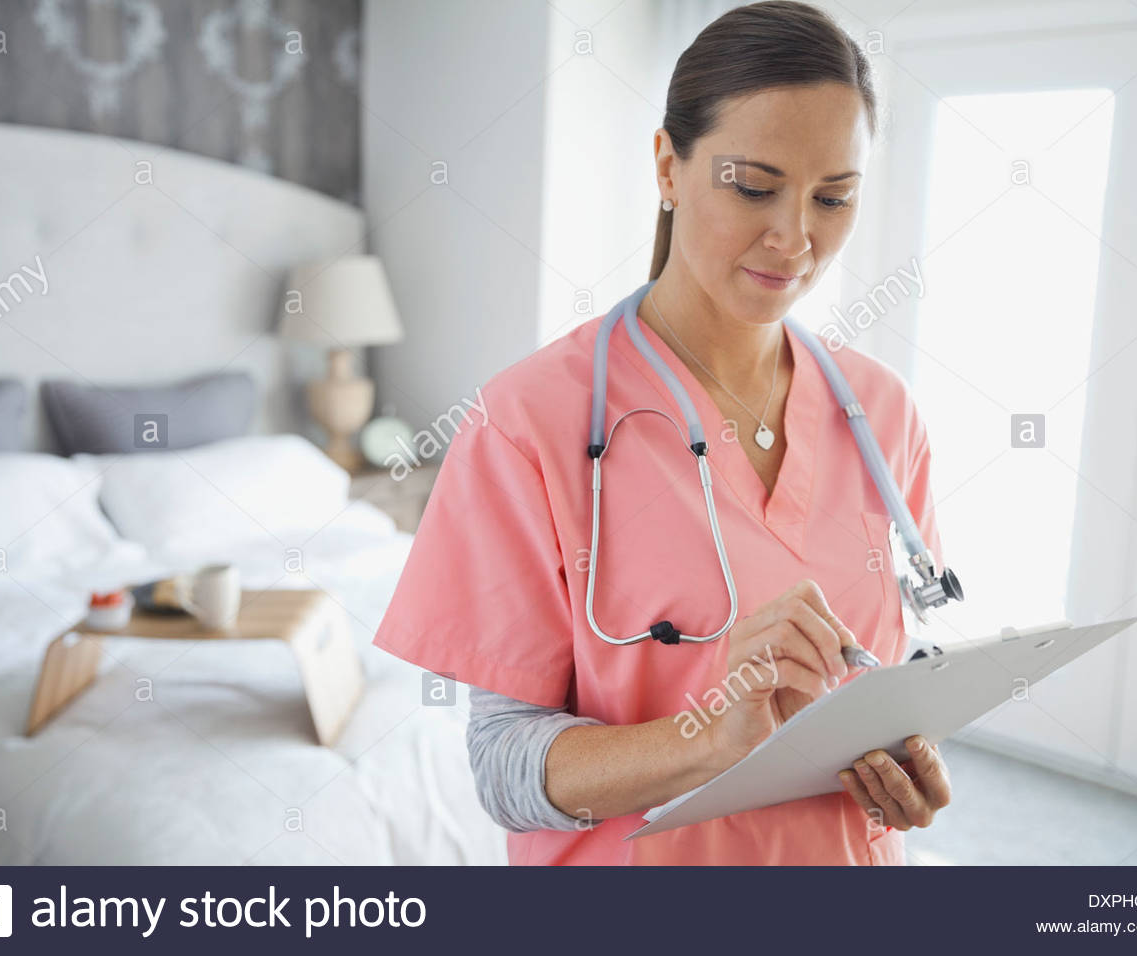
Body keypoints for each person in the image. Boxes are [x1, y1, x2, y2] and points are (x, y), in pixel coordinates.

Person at [372, 0, 952, 865]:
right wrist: (709, 738)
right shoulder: (527, 423)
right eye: (753, 186)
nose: (795, 238)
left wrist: (901, 762)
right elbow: (501, 771)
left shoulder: (882, 413)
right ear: (668, 168)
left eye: (834, 197)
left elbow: (876, 678)